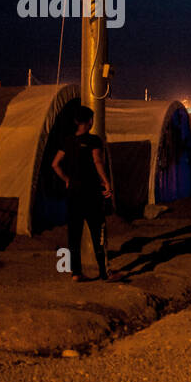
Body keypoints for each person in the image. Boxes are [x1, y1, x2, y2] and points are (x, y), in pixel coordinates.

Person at [51, 105, 114, 282]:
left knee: (74, 234)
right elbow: (97, 161)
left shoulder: (67, 140)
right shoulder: (94, 140)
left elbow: (55, 164)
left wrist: (66, 179)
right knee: (97, 231)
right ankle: (103, 272)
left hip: (73, 193)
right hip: (91, 191)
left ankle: (76, 273)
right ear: (89, 121)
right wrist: (106, 181)